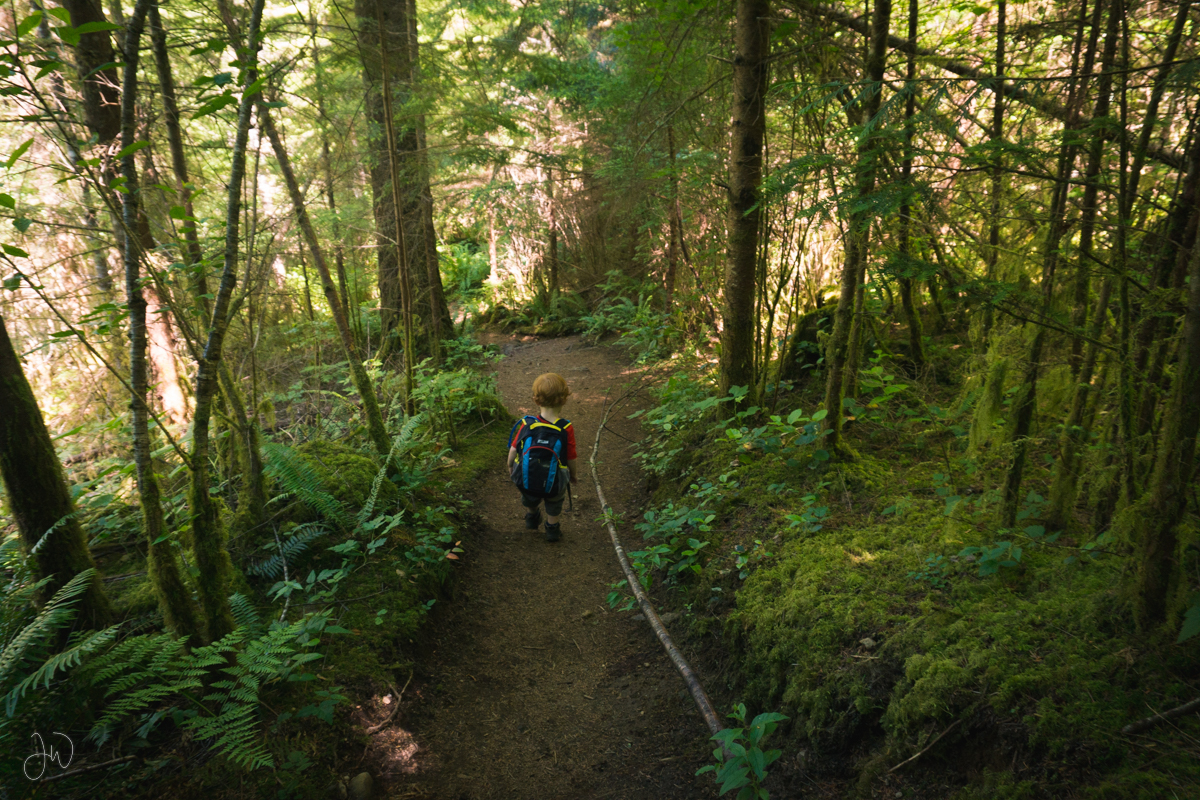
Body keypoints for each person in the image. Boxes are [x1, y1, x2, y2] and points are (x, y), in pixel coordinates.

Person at [507, 373, 578, 542]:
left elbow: (514, 449)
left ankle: (532, 517)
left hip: (528, 476)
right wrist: (573, 474)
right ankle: (552, 528)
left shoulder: (527, 424)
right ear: (564, 400)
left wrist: (510, 466)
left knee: (529, 495)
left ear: (536, 400)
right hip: (555, 480)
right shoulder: (565, 427)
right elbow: (571, 456)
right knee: (555, 501)